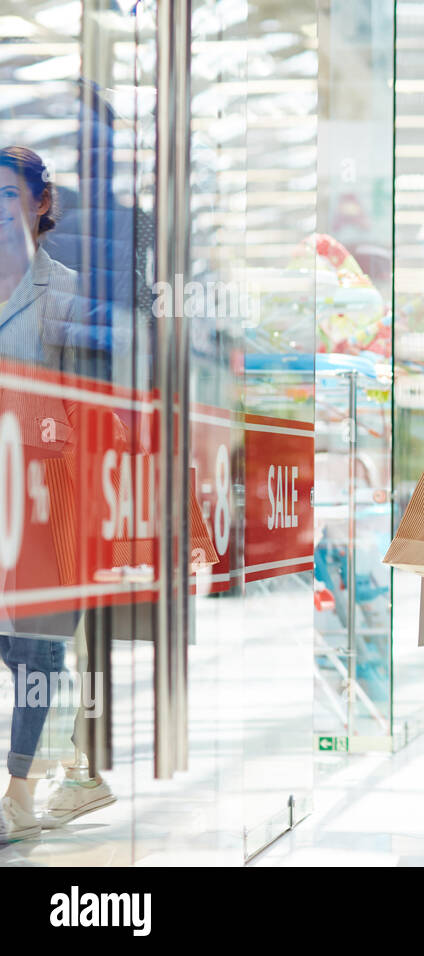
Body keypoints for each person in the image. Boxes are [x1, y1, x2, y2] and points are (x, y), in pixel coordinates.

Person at [0, 145, 114, 844]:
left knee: (36, 650)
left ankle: (19, 792)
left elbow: (85, 410)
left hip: (42, 497)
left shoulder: (66, 292)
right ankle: (77, 766)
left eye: (9, 195)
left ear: (42, 205)